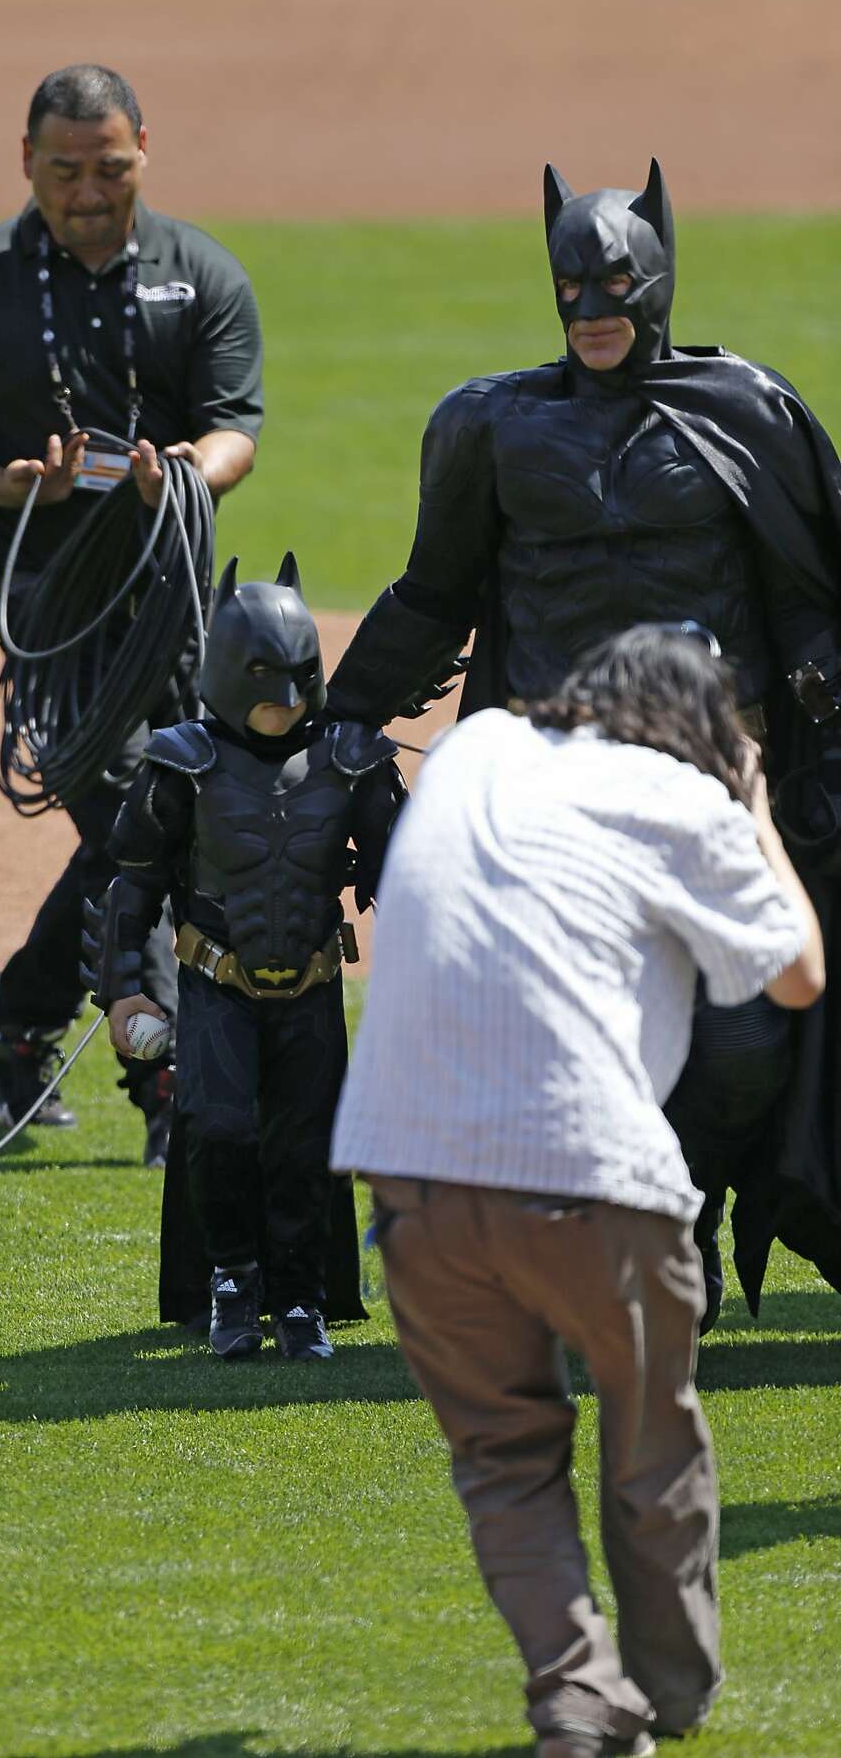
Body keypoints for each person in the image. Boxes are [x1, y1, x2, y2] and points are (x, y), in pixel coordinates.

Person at [328, 157, 841, 1325]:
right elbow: (432, 593)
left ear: (655, 285)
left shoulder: (746, 411)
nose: (593, 318)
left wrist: (819, 680)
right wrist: (344, 715)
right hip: (554, 785)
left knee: (752, 1033)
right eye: (573, 297)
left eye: (614, 293)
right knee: (572, 1028)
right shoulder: (487, 426)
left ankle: (685, 1201)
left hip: (715, 772)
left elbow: (810, 580)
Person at [333, 627, 823, 1758]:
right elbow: (797, 968)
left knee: (504, 1456)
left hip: (410, 1168)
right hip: (593, 1172)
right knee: (653, 1439)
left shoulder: (477, 746)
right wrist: (747, 797)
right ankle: (673, 1693)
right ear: (701, 726)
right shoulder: (681, 792)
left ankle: (579, 1699)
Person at [0, 62, 263, 1164]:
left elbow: (237, 427)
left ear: (145, 146)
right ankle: (165, 1086)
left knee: (154, 822)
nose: (90, 191)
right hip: (53, 623)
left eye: (109, 167)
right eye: (65, 170)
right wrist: (15, 485)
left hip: (178, 604)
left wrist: (188, 470)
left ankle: (13, 1025)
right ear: (26, 162)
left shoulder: (203, 275)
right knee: (134, 831)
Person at [85, 555, 403, 1358]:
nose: (286, 701)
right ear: (229, 673)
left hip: (312, 987)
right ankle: (231, 1282)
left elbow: (411, 872)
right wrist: (124, 990)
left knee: (305, 1144)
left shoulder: (353, 757)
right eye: (267, 681)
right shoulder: (181, 763)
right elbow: (133, 884)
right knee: (219, 1130)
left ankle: (300, 1300)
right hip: (215, 985)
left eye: (299, 678)